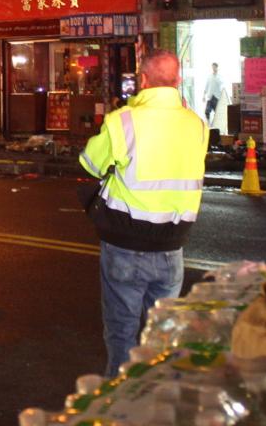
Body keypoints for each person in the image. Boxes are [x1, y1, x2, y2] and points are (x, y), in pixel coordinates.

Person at [79, 49, 208, 376]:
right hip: (172, 248)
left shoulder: (123, 120)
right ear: (178, 81)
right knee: (162, 334)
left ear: (143, 79)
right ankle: (157, 399)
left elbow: (90, 163)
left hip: (124, 245)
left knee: (122, 330)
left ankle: (121, 403)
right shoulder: (197, 124)